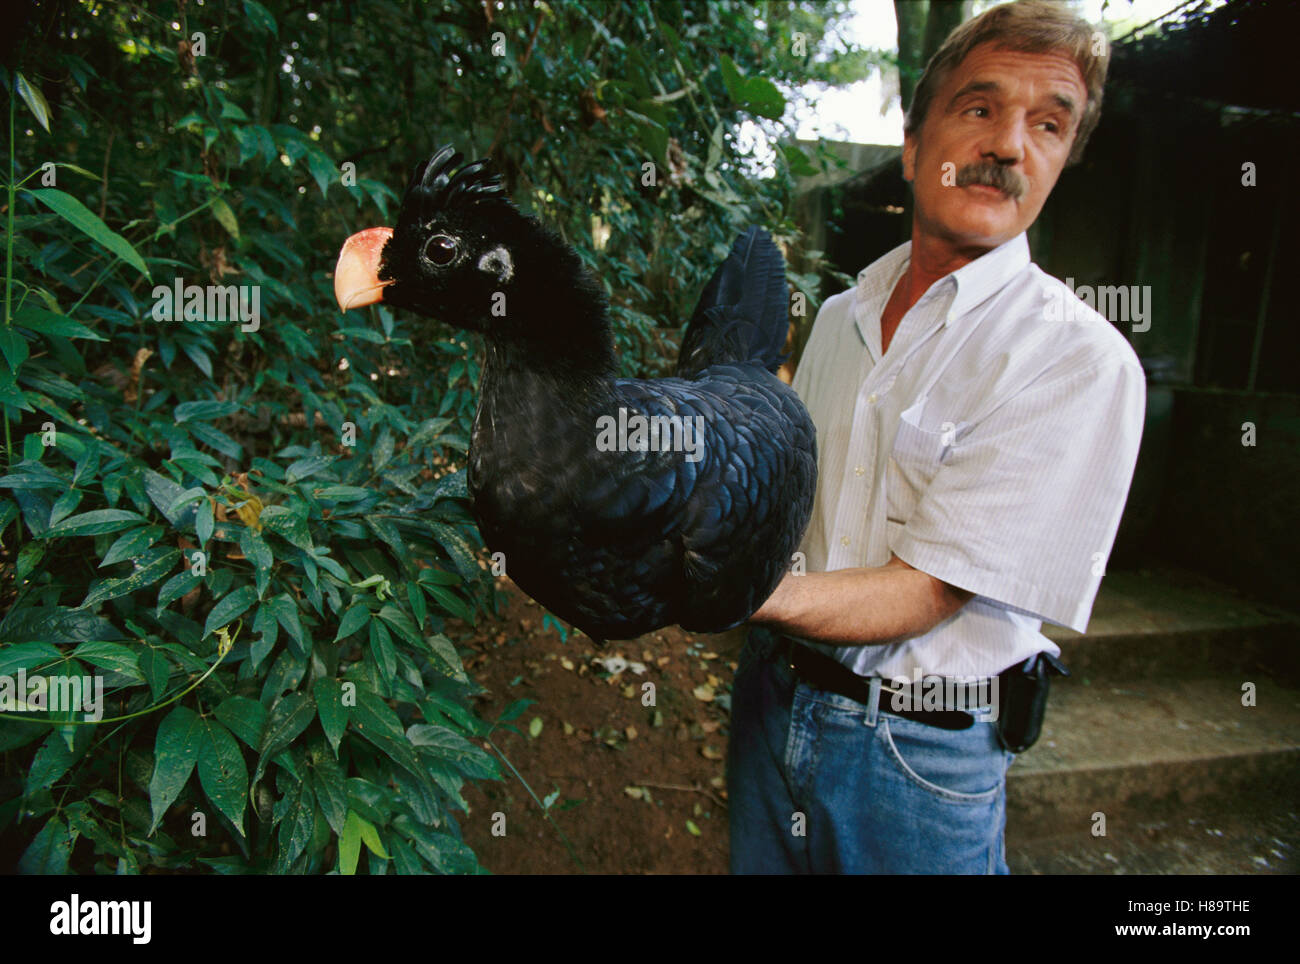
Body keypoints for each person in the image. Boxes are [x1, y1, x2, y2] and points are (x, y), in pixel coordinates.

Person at [732, 0, 1146, 874]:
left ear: (1063, 160)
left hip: (915, 760)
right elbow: (792, 509)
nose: (1008, 146)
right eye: (980, 108)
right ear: (916, 145)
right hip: (771, 706)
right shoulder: (841, 318)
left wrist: (706, 582)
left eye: (1049, 124)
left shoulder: (1077, 361)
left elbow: (925, 591)